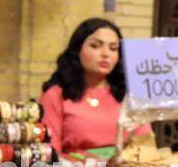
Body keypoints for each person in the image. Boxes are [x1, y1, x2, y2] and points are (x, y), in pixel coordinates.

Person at [39, 18, 150, 154]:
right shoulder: (56, 95)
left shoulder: (128, 95)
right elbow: (49, 153)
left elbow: (145, 147)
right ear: (77, 50)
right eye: (95, 46)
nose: (105, 54)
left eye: (113, 48)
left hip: (124, 166)